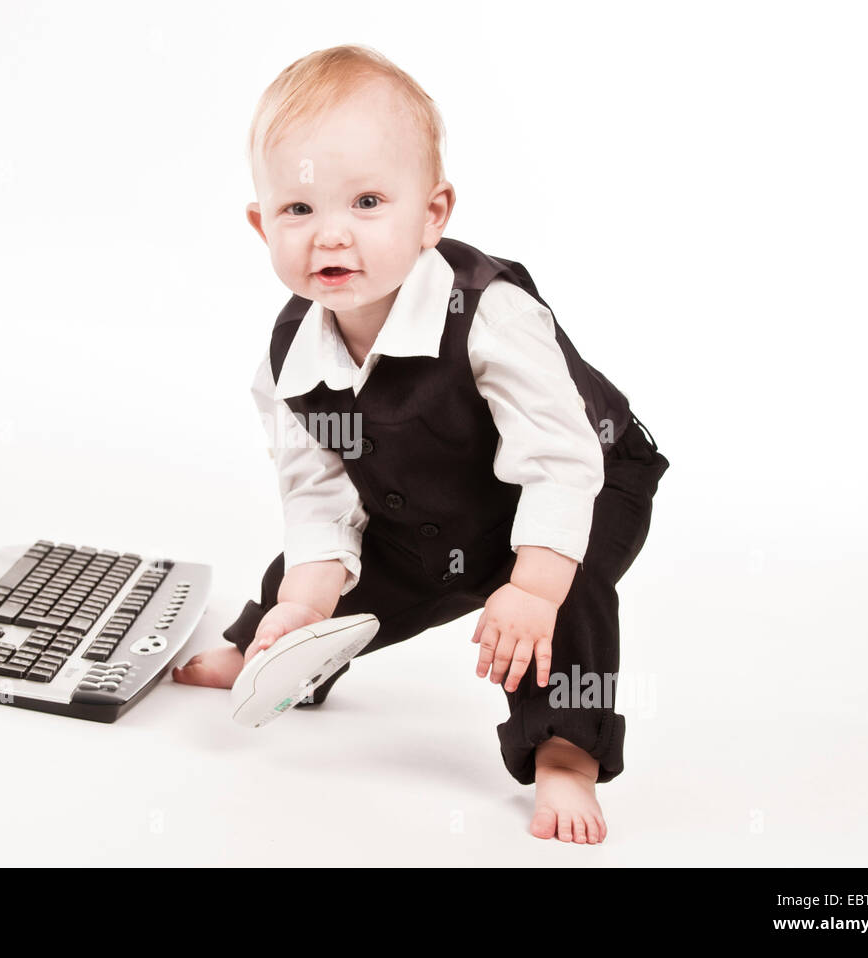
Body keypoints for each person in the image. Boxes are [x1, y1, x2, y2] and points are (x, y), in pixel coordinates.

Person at [173, 45, 668, 844]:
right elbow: (320, 498)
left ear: (432, 214)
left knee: (561, 596)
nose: (331, 234)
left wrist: (531, 586)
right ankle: (276, 652)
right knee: (309, 581)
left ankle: (567, 754)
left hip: (584, 477)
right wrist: (302, 603)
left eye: (367, 201)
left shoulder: (489, 316)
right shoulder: (289, 362)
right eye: (299, 211)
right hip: (429, 511)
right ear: (262, 224)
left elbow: (557, 459)